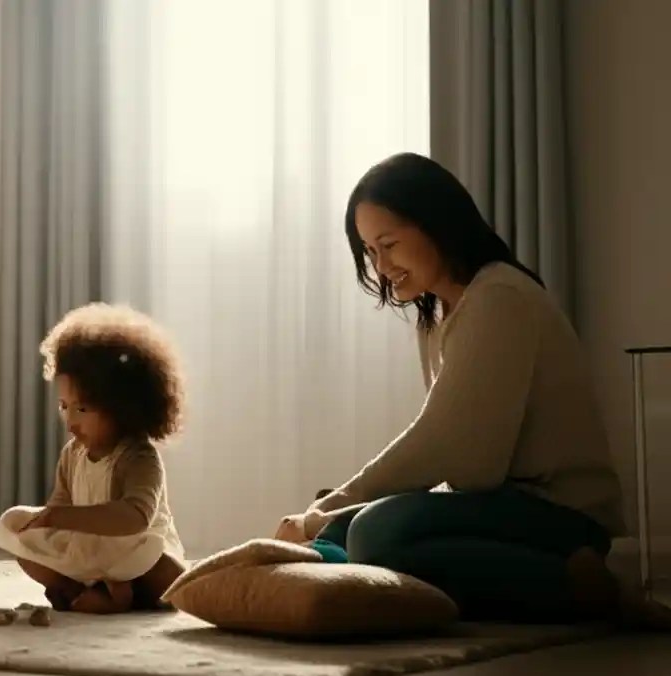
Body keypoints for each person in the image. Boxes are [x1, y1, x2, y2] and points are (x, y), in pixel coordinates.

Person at [274, 152, 670, 627]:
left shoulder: (499, 298)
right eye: (371, 252)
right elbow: (452, 459)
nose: (381, 266)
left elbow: (461, 456)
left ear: (436, 223)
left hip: (563, 518)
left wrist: (326, 508)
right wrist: (333, 514)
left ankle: (581, 586)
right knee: (347, 531)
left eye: (389, 245)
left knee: (373, 531)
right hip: (499, 511)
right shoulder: (437, 317)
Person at [0, 303, 187, 613]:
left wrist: (61, 518)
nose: (70, 421)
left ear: (122, 407)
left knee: (168, 575)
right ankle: (78, 590)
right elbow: (60, 508)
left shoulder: (138, 457)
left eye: (82, 409)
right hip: (90, 553)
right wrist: (44, 524)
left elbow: (135, 517)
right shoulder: (72, 455)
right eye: (63, 406)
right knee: (15, 526)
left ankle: (121, 593)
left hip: (137, 553)